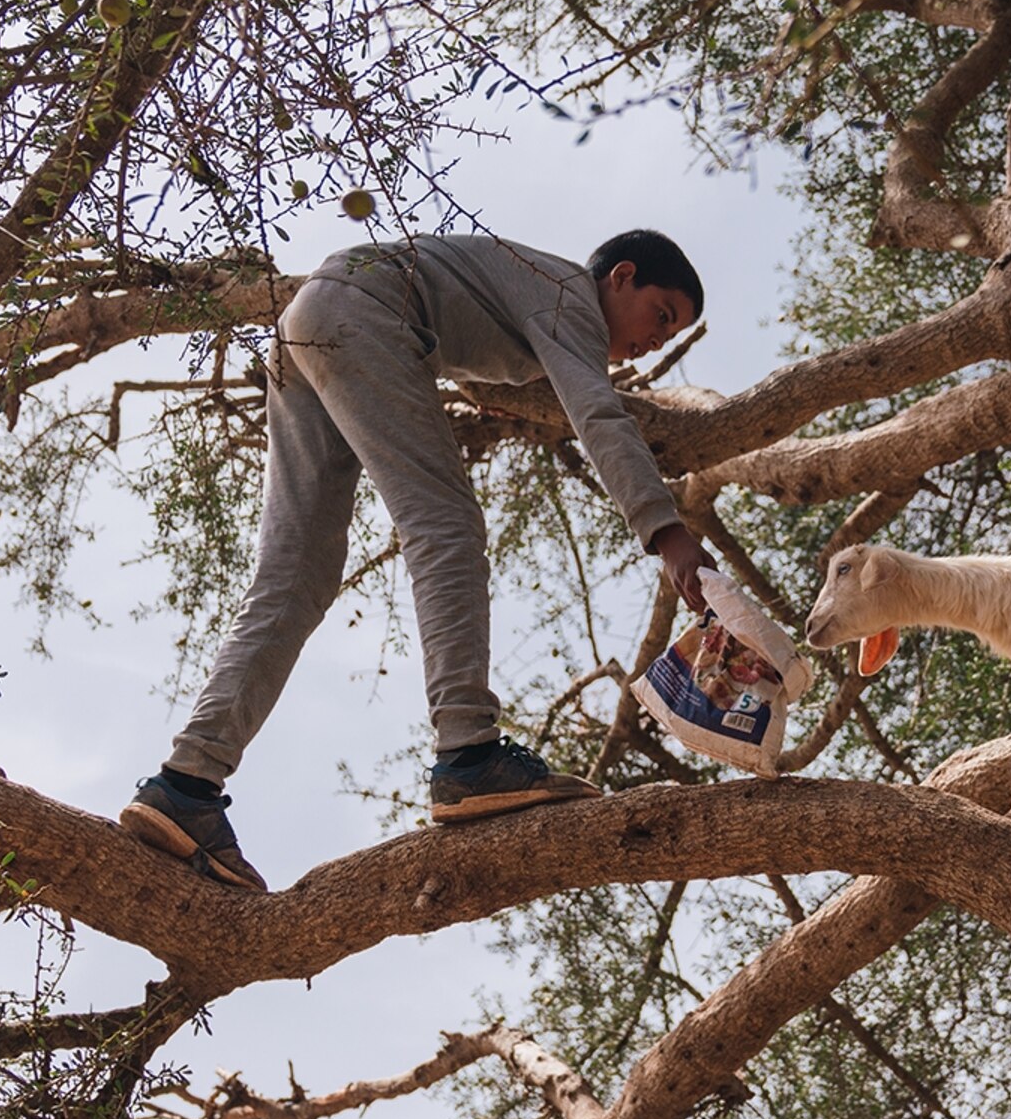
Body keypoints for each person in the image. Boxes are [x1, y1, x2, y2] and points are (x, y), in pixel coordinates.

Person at [117, 228, 714, 885]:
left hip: (309, 320)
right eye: (662, 315)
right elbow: (596, 414)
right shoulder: (570, 295)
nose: (659, 339)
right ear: (621, 277)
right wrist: (667, 532)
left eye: (673, 335)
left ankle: (186, 784)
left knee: (295, 574)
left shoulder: (536, 292)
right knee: (446, 525)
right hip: (364, 312)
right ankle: (468, 753)